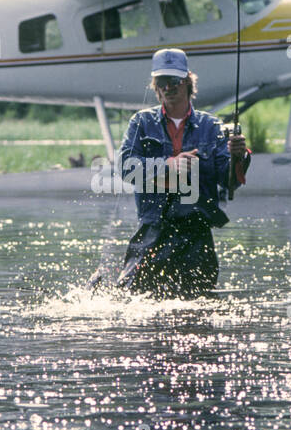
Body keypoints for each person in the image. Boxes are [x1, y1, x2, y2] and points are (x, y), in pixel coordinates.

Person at [103, 47, 250, 297]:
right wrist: (168, 164)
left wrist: (240, 156)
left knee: (199, 304)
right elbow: (126, 169)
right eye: (161, 82)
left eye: (174, 81)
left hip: (197, 231)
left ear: (188, 82)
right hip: (153, 226)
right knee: (129, 296)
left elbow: (229, 183)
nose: (168, 88)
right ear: (155, 85)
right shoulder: (141, 122)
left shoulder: (211, 126)